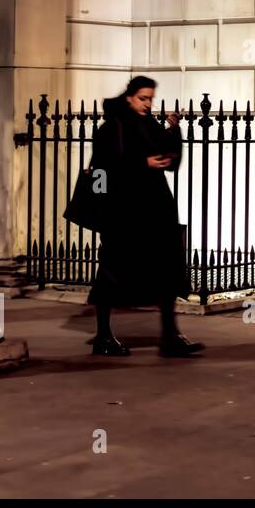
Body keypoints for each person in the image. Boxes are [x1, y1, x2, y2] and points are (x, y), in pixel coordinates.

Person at [88, 75, 203, 358]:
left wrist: (173, 130)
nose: (148, 103)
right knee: (113, 272)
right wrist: (143, 163)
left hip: (156, 210)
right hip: (124, 213)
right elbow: (102, 170)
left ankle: (170, 335)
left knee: (166, 269)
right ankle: (103, 335)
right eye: (143, 98)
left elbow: (172, 162)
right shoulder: (111, 127)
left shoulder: (149, 124)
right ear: (129, 97)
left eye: (151, 98)